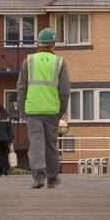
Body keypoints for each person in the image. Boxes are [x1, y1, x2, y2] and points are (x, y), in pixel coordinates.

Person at [16, 27, 70, 188]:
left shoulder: (28, 61)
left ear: (39, 43)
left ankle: (38, 177)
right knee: (51, 145)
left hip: (33, 110)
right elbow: (65, 91)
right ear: (53, 44)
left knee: (36, 143)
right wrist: (61, 111)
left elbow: (21, 87)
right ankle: (52, 177)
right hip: (52, 111)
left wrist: (21, 109)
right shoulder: (60, 62)